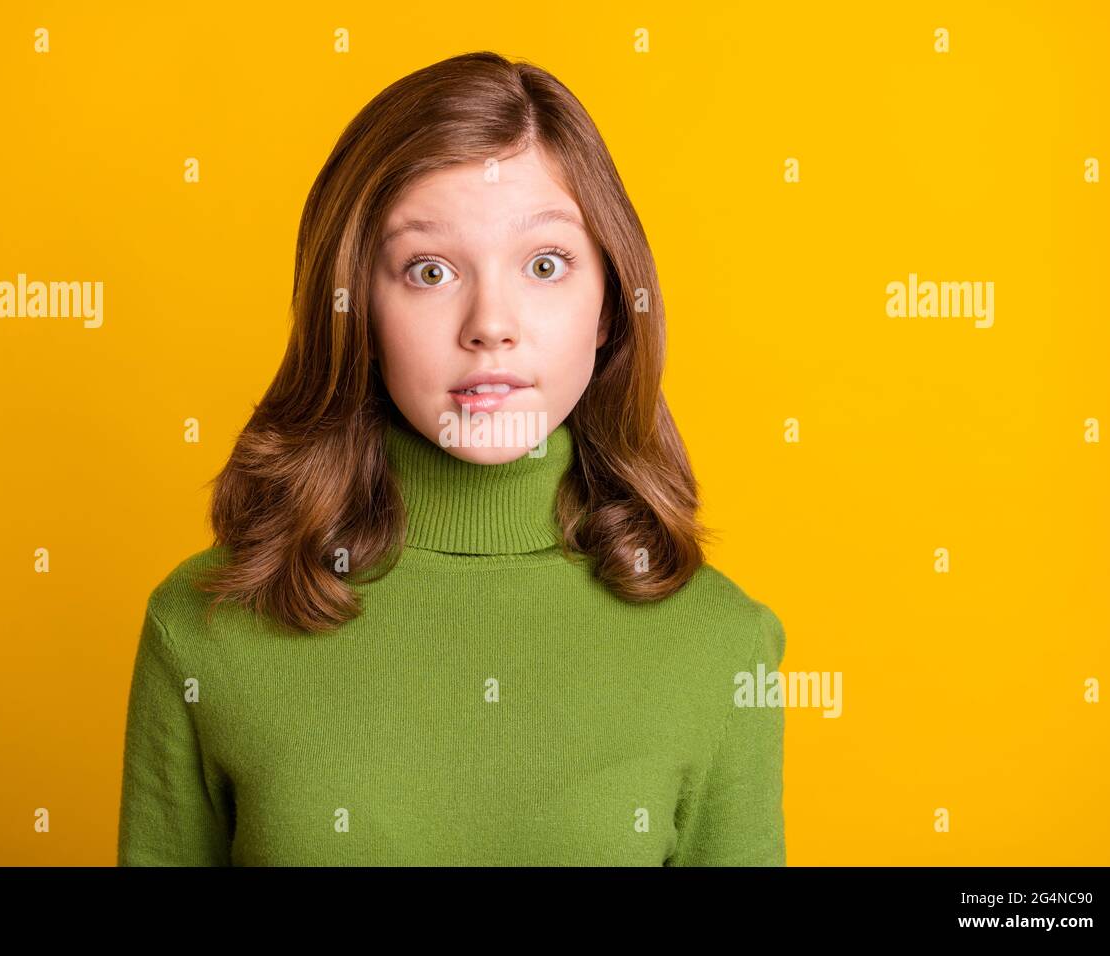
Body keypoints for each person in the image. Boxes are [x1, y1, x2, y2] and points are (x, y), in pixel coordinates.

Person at [117, 50, 786, 866]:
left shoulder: (720, 645)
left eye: (545, 265)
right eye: (429, 270)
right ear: (355, 307)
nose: (490, 324)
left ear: (609, 304)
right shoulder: (201, 627)